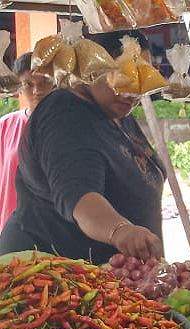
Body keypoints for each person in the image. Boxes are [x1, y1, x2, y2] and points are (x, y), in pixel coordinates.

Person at [0, 30, 165, 263]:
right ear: (92, 68)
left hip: (113, 277)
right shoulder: (65, 114)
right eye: (124, 76)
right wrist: (120, 230)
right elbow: (80, 198)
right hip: (51, 279)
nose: (133, 89)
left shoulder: (117, 112)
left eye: (142, 76)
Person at [0, 53, 54, 231]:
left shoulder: (64, 127)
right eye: (28, 84)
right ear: (19, 88)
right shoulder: (6, 125)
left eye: (44, 81)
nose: (37, 90)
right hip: (9, 226)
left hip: (50, 229)